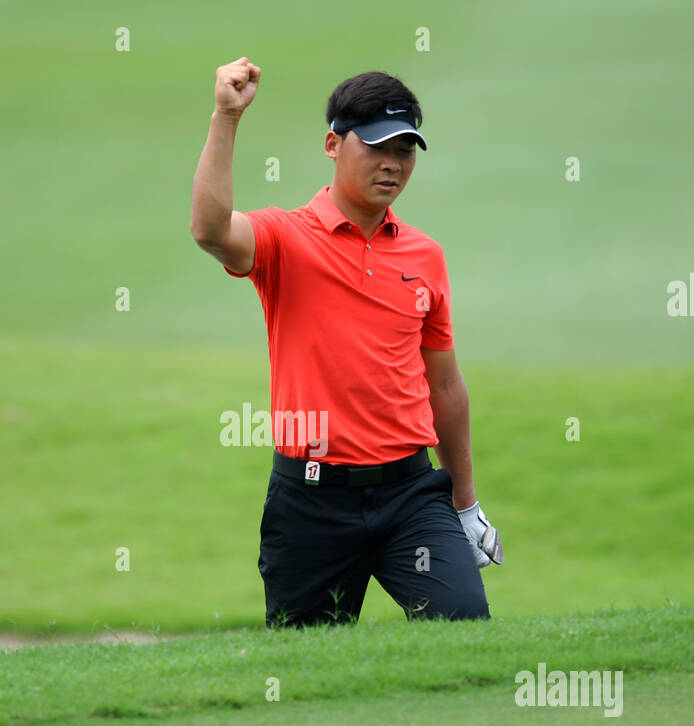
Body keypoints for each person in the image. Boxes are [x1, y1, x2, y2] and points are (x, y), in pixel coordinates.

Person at [190, 58, 502, 628]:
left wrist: (466, 502)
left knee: (461, 623)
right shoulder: (285, 238)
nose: (392, 164)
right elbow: (210, 229)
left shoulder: (424, 254)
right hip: (311, 501)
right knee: (305, 661)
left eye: (405, 150)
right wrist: (226, 117)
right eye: (377, 146)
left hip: (411, 493)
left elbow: (445, 383)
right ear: (333, 144)